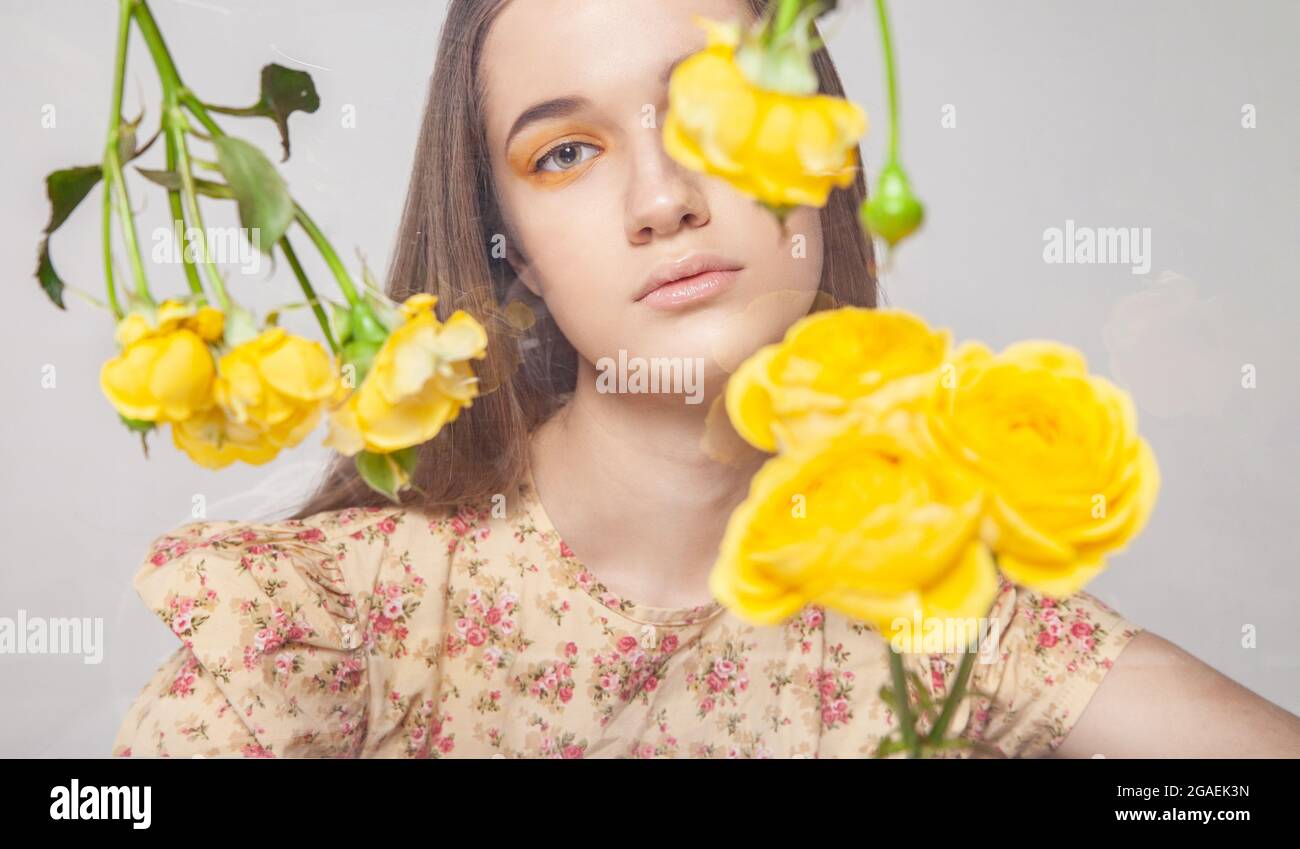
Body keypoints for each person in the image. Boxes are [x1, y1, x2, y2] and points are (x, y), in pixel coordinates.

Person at [112, 0, 1300, 759]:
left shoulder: (941, 613)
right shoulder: (325, 635)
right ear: (506, 241)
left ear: (824, 155)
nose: (664, 197)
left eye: (710, 109)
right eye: (565, 151)